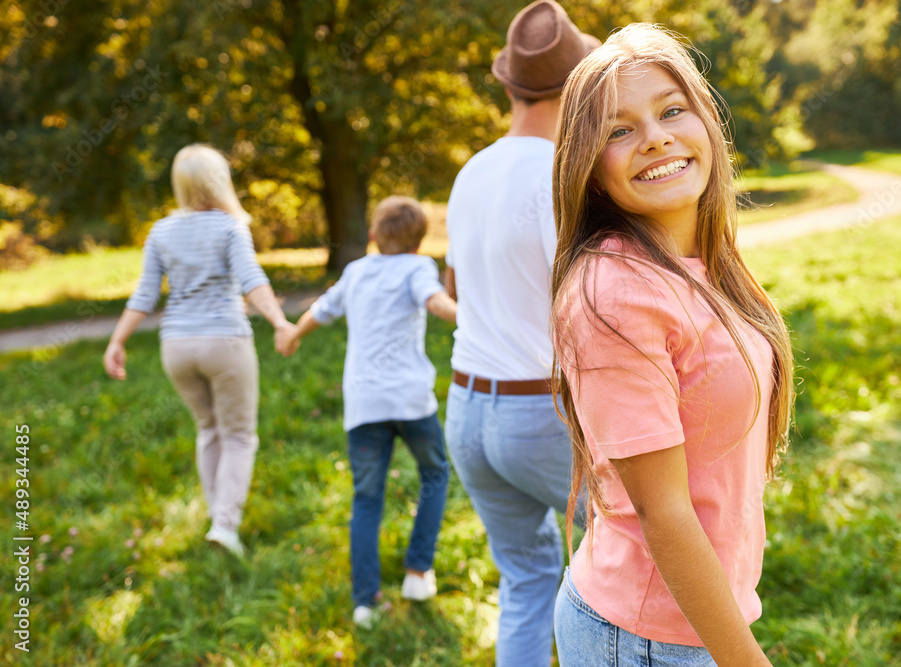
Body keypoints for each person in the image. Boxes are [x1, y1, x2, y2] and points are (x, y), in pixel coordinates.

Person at [549, 24, 796, 666]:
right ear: (590, 170)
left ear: (706, 122)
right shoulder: (615, 294)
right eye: (618, 129)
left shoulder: (699, 261)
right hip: (646, 641)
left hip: (694, 616)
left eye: (671, 110)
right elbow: (663, 514)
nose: (655, 136)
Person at [442, 1, 600, 664]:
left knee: (527, 578)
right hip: (538, 412)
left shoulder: (471, 170)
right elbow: (583, 306)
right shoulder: (555, 175)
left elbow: (454, 289)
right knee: (652, 557)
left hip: (467, 410)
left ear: (509, 84)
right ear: (578, 87)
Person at [103, 144, 294, 558]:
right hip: (224, 342)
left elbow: (145, 293)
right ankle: (225, 526)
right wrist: (279, 321)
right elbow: (251, 278)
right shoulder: (229, 227)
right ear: (220, 181)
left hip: (176, 346)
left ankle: (217, 518)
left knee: (209, 430)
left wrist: (117, 340)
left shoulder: (161, 231)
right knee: (239, 435)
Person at [277, 195, 457, 629]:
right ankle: (417, 572)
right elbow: (435, 302)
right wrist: (472, 321)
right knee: (435, 474)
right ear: (419, 243)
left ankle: (365, 603)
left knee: (366, 499)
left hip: (364, 404)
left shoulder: (355, 272)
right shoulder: (418, 268)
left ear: (374, 236)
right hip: (412, 401)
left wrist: (292, 336)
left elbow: (320, 310)